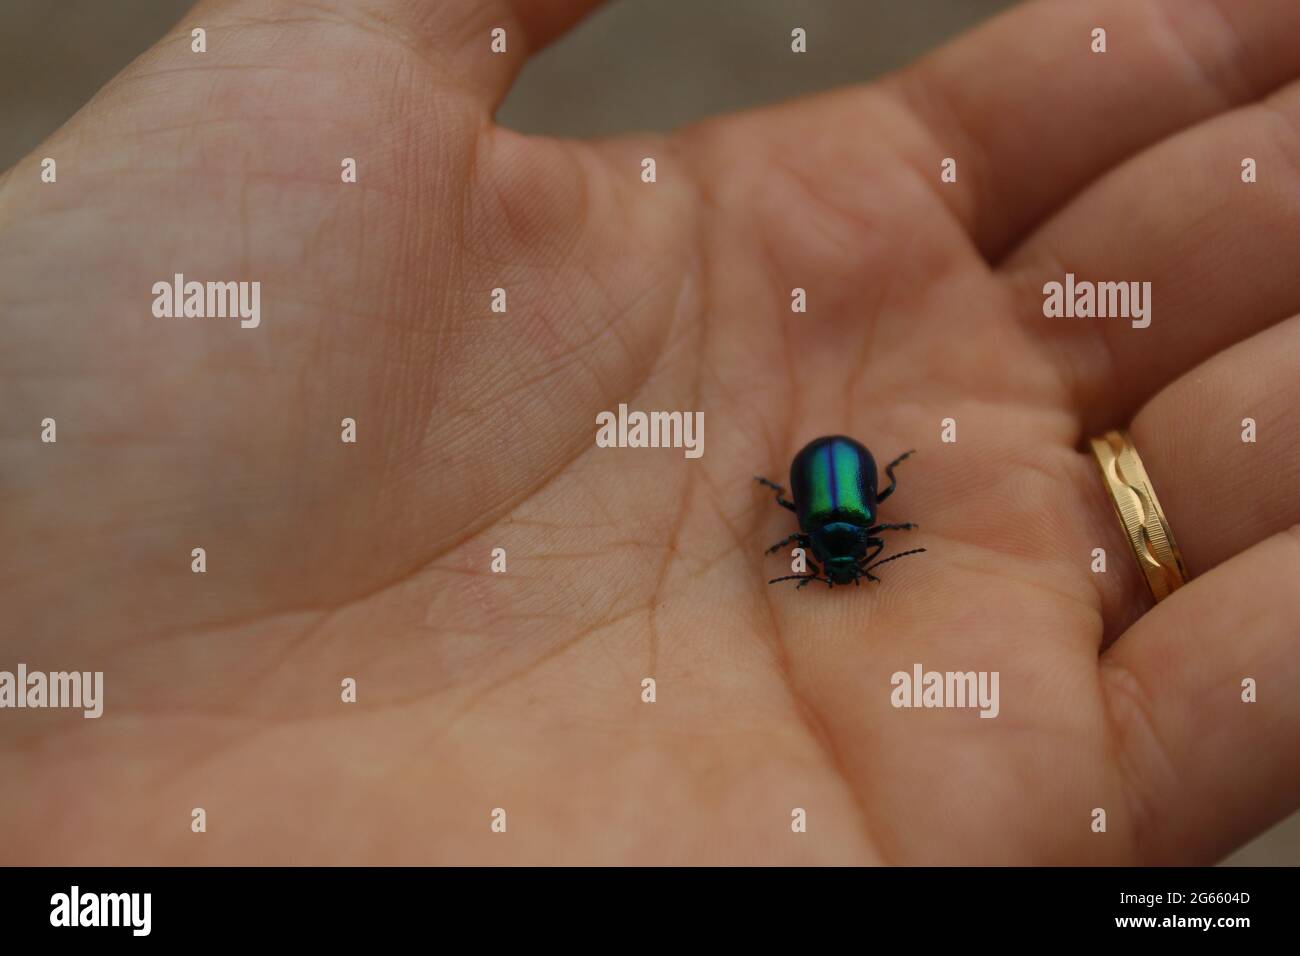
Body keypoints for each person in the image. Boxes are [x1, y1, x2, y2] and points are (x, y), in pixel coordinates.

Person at [1, 0, 1297, 865]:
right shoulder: (833, 524)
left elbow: (823, 512)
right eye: (842, 559)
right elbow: (825, 513)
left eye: (839, 560)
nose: (843, 565)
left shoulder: (830, 522)